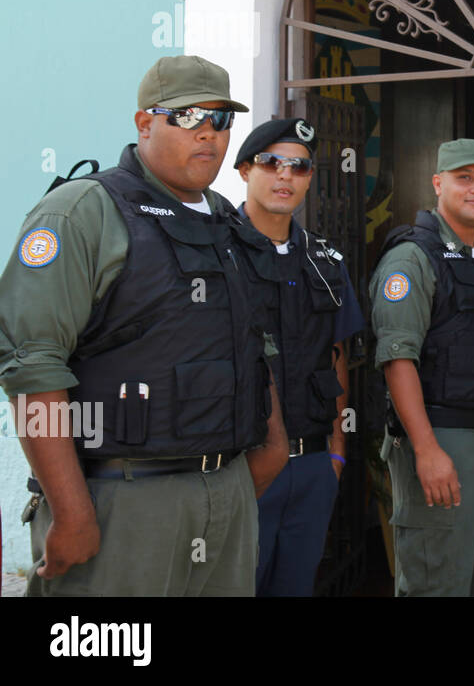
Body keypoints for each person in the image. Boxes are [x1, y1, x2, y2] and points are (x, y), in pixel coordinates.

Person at [0, 54, 288, 596]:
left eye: (221, 118)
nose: (207, 132)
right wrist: (71, 510)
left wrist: (272, 445)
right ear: (144, 123)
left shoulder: (227, 220)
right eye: (187, 116)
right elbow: (31, 365)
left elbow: (255, 343)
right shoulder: (84, 211)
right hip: (123, 497)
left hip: (226, 490)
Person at [369, 138, 474, 596]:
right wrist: (426, 450)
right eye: (465, 178)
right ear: (438, 183)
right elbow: (397, 358)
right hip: (440, 436)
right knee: (437, 580)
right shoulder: (412, 259)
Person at [234, 117, 366, 596]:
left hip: (312, 465)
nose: (285, 175)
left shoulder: (324, 259)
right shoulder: (218, 251)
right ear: (245, 170)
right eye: (271, 163)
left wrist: (337, 451)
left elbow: (335, 354)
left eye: (300, 167)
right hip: (239, 466)